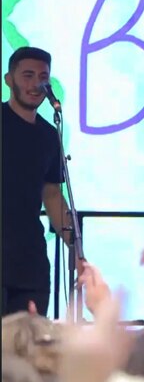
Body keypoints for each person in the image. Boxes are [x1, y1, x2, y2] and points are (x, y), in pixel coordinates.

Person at [2, 47, 75, 316]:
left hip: (30, 265)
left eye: (43, 77)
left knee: (30, 339)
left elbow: (52, 194)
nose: (36, 84)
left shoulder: (48, 135)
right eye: (28, 75)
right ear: (9, 79)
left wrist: (75, 247)